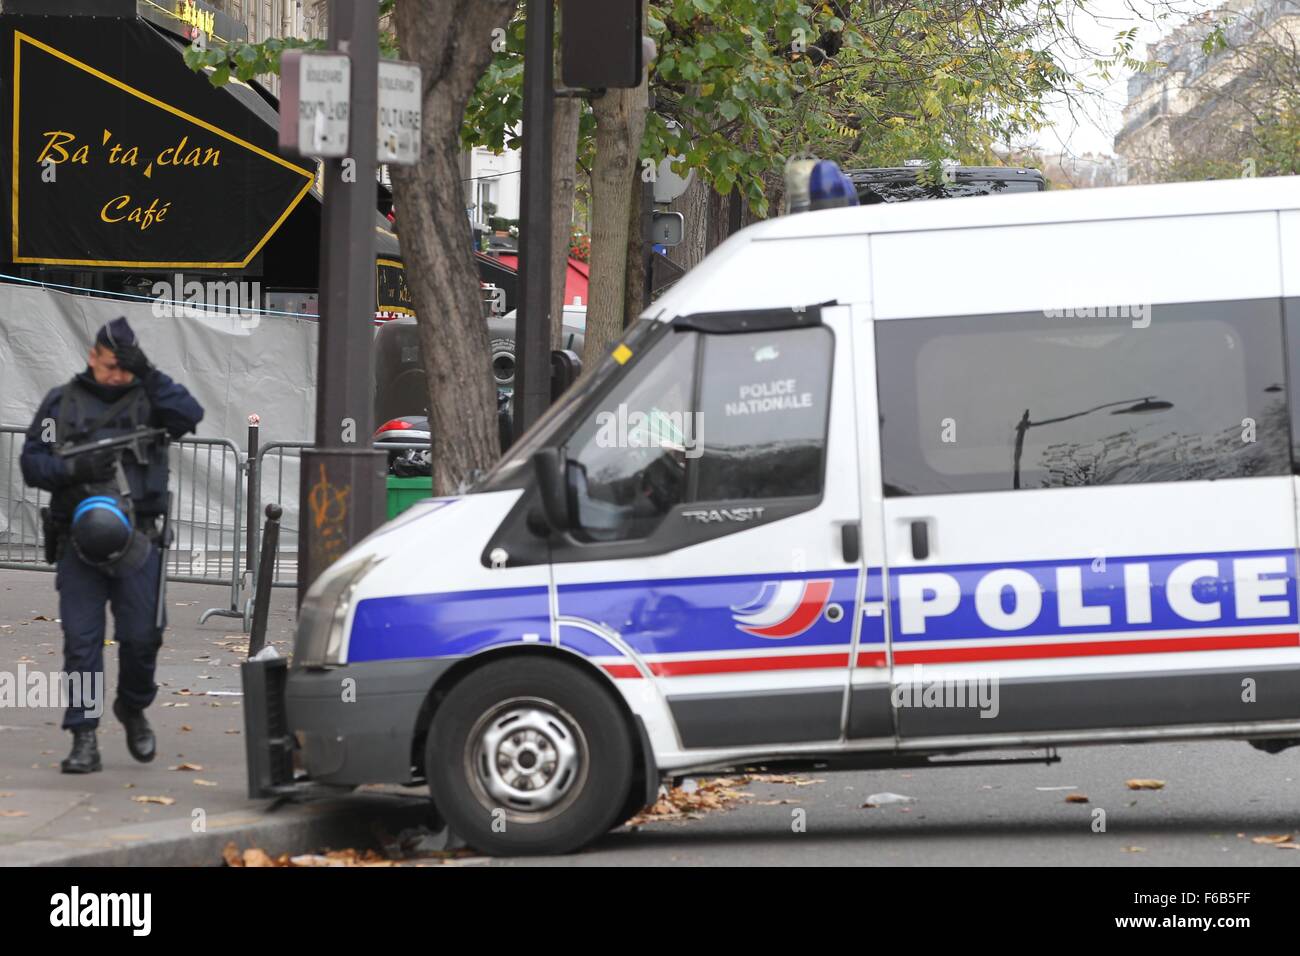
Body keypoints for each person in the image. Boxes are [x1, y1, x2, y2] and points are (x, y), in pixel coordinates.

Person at [20, 317, 204, 773]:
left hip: (139, 540)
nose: (116, 376)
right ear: (92, 357)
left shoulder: (151, 400)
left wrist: (150, 372)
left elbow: (190, 415)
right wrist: (74, 472)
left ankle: (133, 706)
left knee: (142, 638)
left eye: (124, 368)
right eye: (109, 367)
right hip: (77, 545)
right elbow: (32, 462)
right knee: (81, 643)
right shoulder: (60, 404)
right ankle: (83, 736)